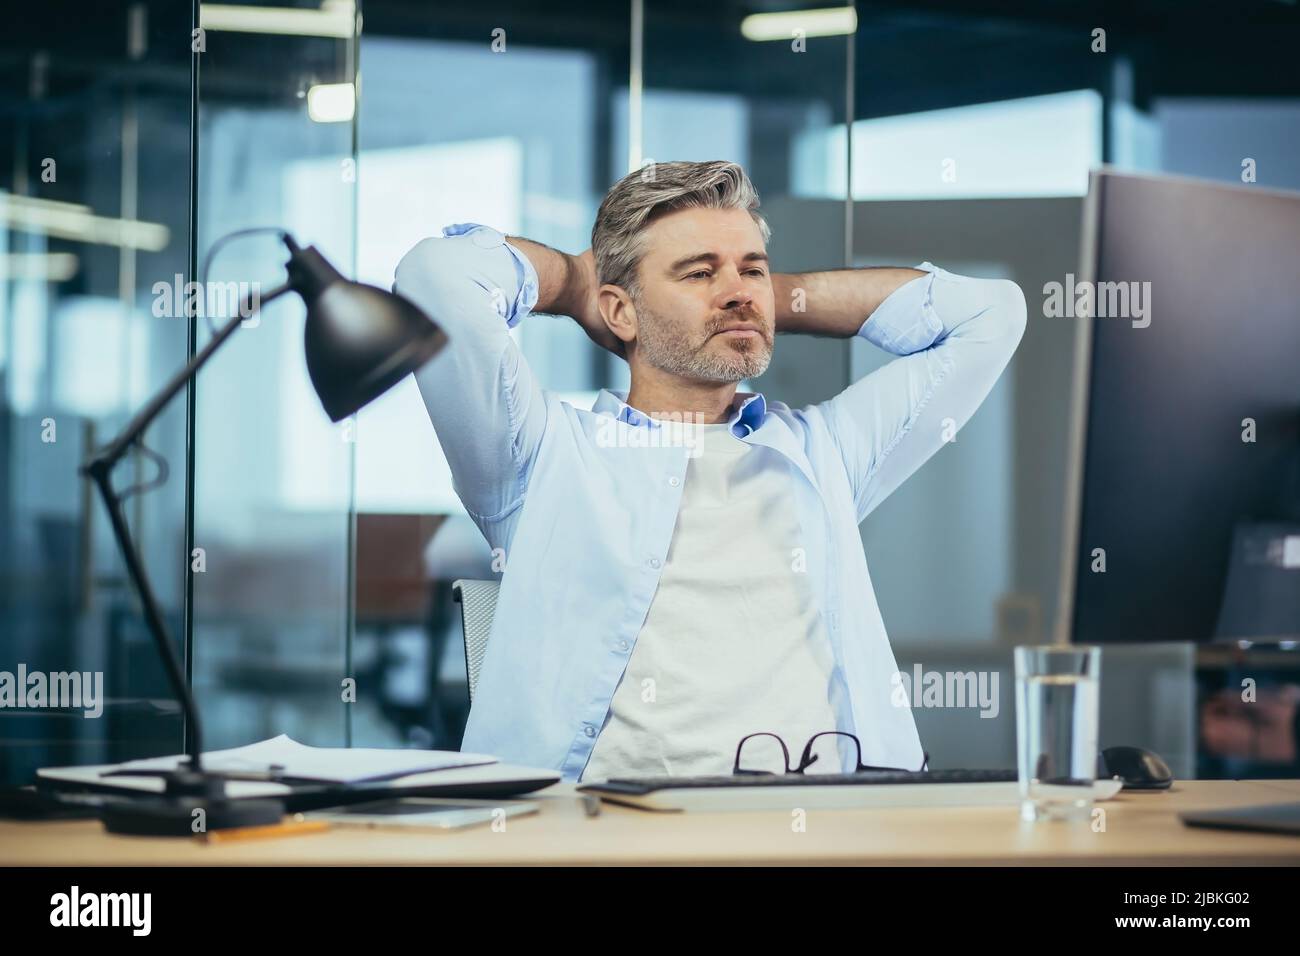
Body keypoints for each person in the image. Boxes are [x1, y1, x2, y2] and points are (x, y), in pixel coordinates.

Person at [393, 160, 1026, 781]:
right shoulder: (540, 457)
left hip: (827, 827)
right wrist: (577, 283)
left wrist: (759, 300)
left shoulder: (825, 451)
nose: (737, 289)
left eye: (753, 268)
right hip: (610, 834)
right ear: (618, 312)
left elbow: (991, 315)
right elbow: (436, 278)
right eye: (697, 272)